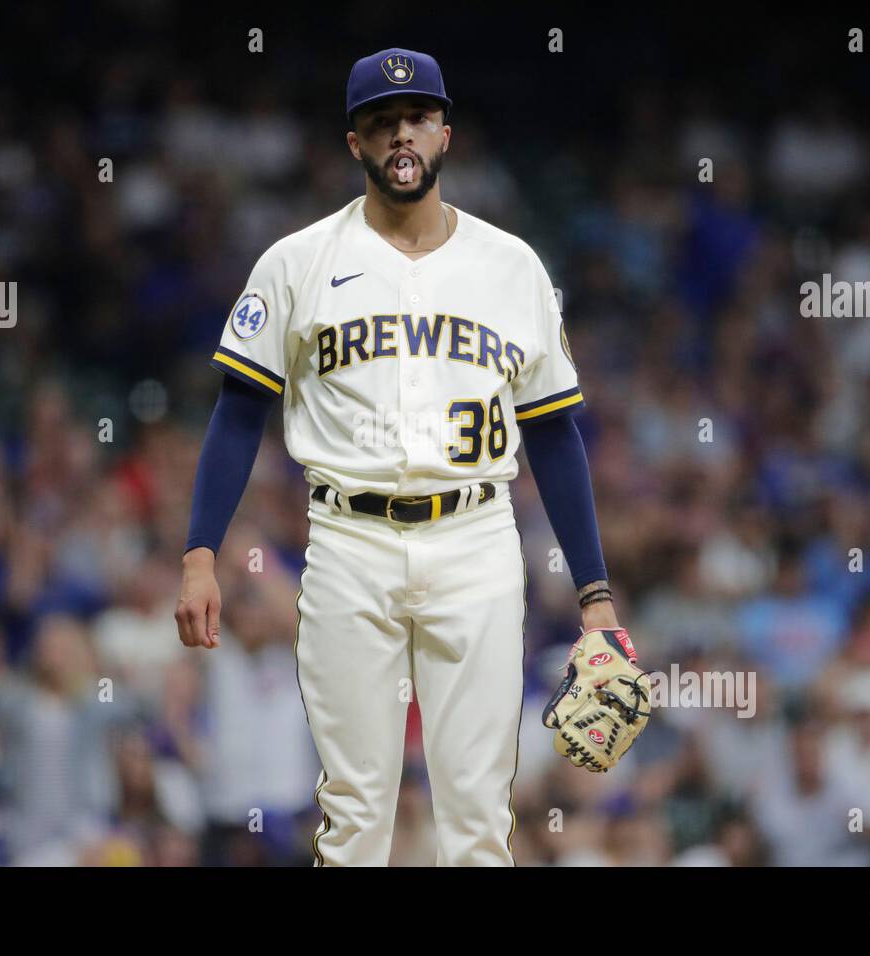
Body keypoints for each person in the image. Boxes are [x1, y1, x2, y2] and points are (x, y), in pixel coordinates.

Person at [176, 47, 620, 866]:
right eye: (382, 123)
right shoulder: (296, 262)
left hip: (476, 541)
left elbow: (554, 434)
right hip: (349, 543)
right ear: (356, 144)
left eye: (416, 117)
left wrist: (595, 595)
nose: (401, 136)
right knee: (354, 817)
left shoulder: (511, 265)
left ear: (446, 131)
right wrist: (201, 553)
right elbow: (239, 412)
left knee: (478, 819)